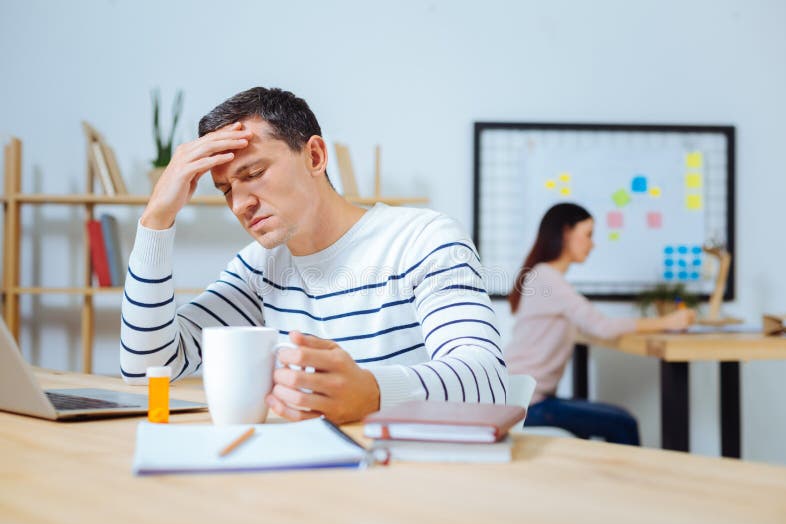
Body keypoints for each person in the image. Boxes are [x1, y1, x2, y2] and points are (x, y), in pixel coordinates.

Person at [119, 87, 507, 424]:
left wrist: (373, 392)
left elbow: (488, 380)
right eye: (225, 190)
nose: (239, 205)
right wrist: (157, 218)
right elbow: (148, 370)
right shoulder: (257, 269)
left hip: (408, 479)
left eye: (253, 173)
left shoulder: (422, 240)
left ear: (315, 157)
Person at [504, 203, 695, 445]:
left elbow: (589, 324)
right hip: (526, 403)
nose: (593, 244)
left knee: (612, 421)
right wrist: (668, 321)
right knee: (623, 423)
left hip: (525, 397)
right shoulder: (547, 278)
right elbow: (602, 327)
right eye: (588, 235)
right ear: (566, 233)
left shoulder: (543, 277)